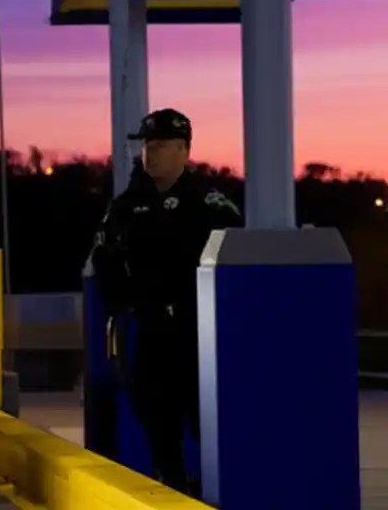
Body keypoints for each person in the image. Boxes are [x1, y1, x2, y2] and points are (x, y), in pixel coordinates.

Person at [89, 108, 242, 496]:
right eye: (146, 146)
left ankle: (214, 489)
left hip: (198, 330)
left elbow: (232, 258)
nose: (149, 154)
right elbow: (105, 255)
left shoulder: (209, 204)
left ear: (183, 150)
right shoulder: (126, 206)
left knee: (205, 413)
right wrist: (119, 301)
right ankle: (172, 485)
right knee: (154, 411)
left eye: (158, 146)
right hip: (152, 327)